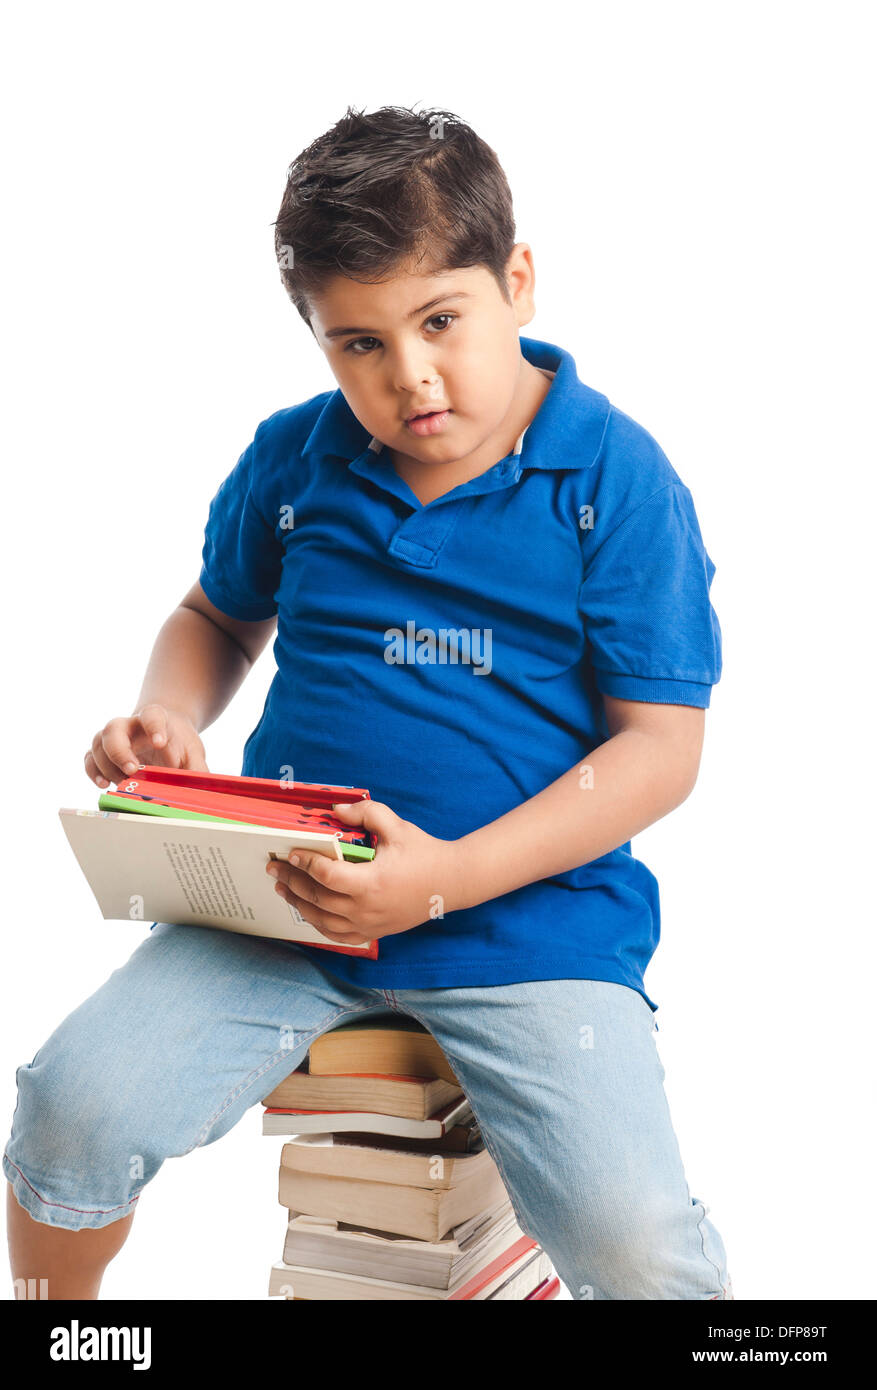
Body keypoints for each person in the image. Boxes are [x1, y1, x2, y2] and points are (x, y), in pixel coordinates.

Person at [5, 104, 733, 1300]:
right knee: (70, 1107)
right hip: (284, 898)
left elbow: (659, 748)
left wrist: (438, 879)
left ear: (520, 282)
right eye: (356, 344)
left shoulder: (618, 481)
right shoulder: (300, 458)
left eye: (440, 320)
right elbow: (215, 617)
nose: (409, 378)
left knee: (631, 1241)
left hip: (532, 926)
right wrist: (167, 718)